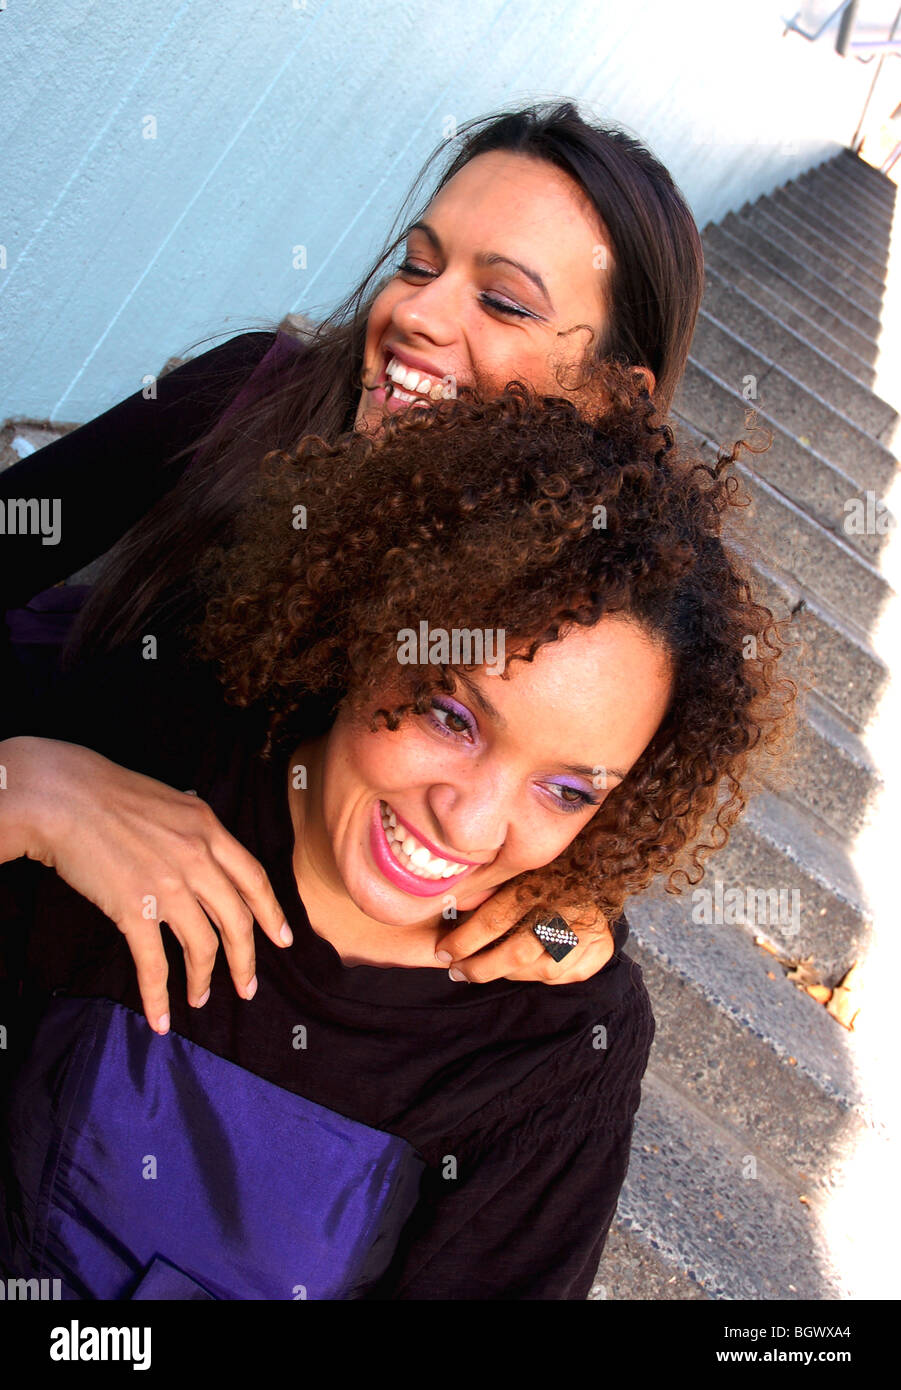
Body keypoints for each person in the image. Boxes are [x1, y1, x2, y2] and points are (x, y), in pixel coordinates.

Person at [0, 378, 791, 1300]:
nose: (470, 820)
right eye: (453, 717)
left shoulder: (558, 1040)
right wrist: (22, 789)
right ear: (366, 627)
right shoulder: (157, 749)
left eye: (568, 789)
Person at [0, 100, 705, 1030]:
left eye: (500, 300)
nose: (416, 310)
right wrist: (33, 785)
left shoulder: (608, 614)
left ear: (618, 397)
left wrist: (573, 924)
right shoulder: (251, 401)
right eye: (419, 264)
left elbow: (572, 883)